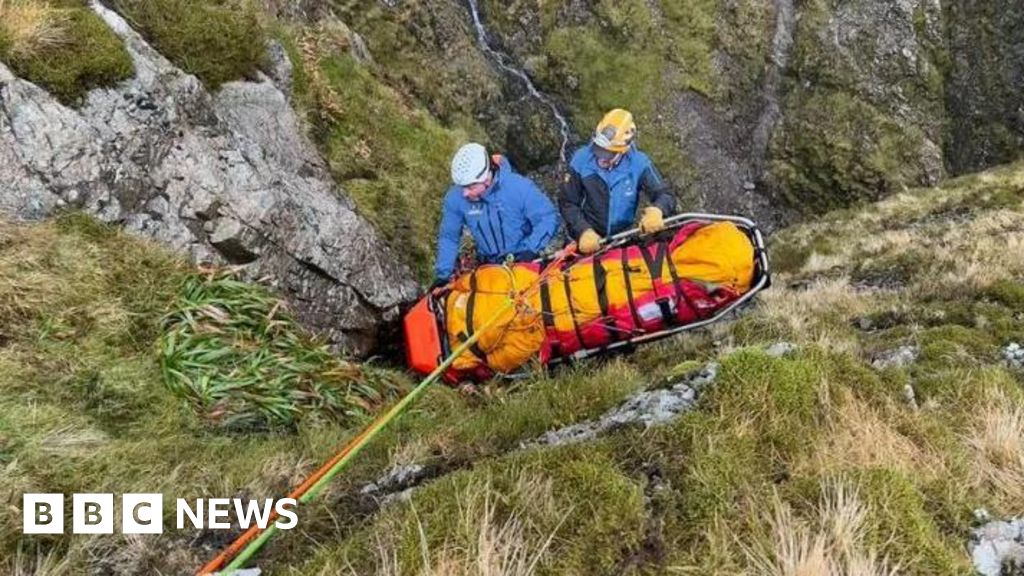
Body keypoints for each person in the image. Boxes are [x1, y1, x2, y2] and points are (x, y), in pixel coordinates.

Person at [432, 143, 560, 287]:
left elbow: (547, 217)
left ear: (487, 179)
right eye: (462, 187)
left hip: (523, 260)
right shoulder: (456, 197)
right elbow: (449, 236)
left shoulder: (519, 188)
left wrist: (530, 249)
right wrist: (443, 275)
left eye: (471, 187)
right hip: (488, 267)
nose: (465, 193)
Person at [559, 108, 677, 254]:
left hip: (622, 238)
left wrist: (658, 210)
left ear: (623, 149)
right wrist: (583, 230)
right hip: (586, 238)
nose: (601, 158)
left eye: (608, 154)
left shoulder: (639, 163)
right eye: (598, 149)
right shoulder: (581, 159)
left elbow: (665, 194)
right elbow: (567, 202)